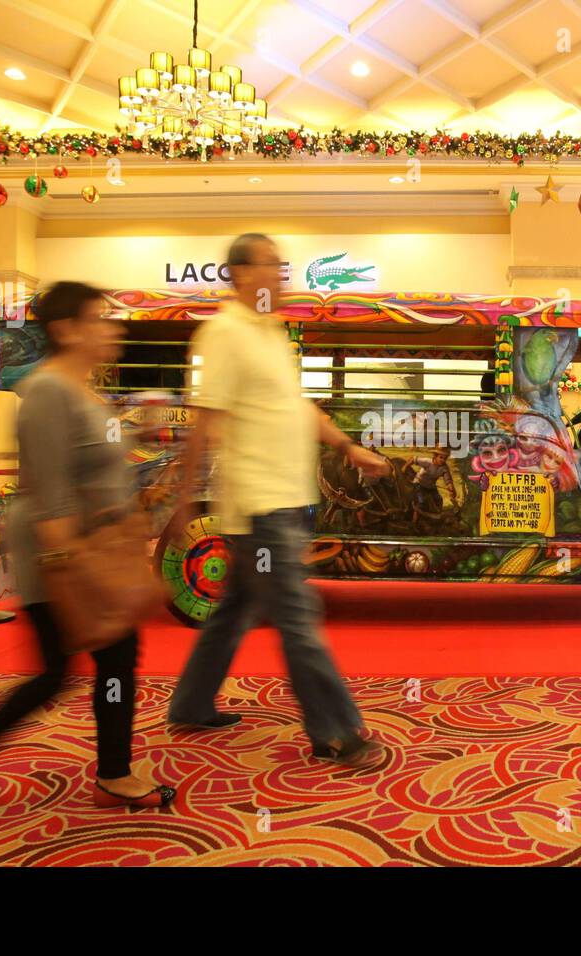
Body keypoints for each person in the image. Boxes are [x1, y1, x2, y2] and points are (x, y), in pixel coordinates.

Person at [169, 233, 391, 767]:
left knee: (235, 609)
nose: (281, 275)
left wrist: (347, 446)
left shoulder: (269, 332)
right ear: (241, 274)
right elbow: (207, 421)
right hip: (260, 503)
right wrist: (183, 501)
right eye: (271, 265)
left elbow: (297, 407)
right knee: (297, 618)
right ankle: (336, 730)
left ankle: (191, 702)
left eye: (281, 265)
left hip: (285, 497)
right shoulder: (223, 334)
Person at [0, 281, 175, 811]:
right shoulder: (48, 391)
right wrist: (76, 568)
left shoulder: (83, 390)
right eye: (98, 318)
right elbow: (49, 492)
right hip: (58, 553)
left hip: (88, 545)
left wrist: (141, 442)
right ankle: (109, 773)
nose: (111, 328)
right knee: (87, 665)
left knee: (83, 667)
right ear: (65, 330)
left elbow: (95, 465)